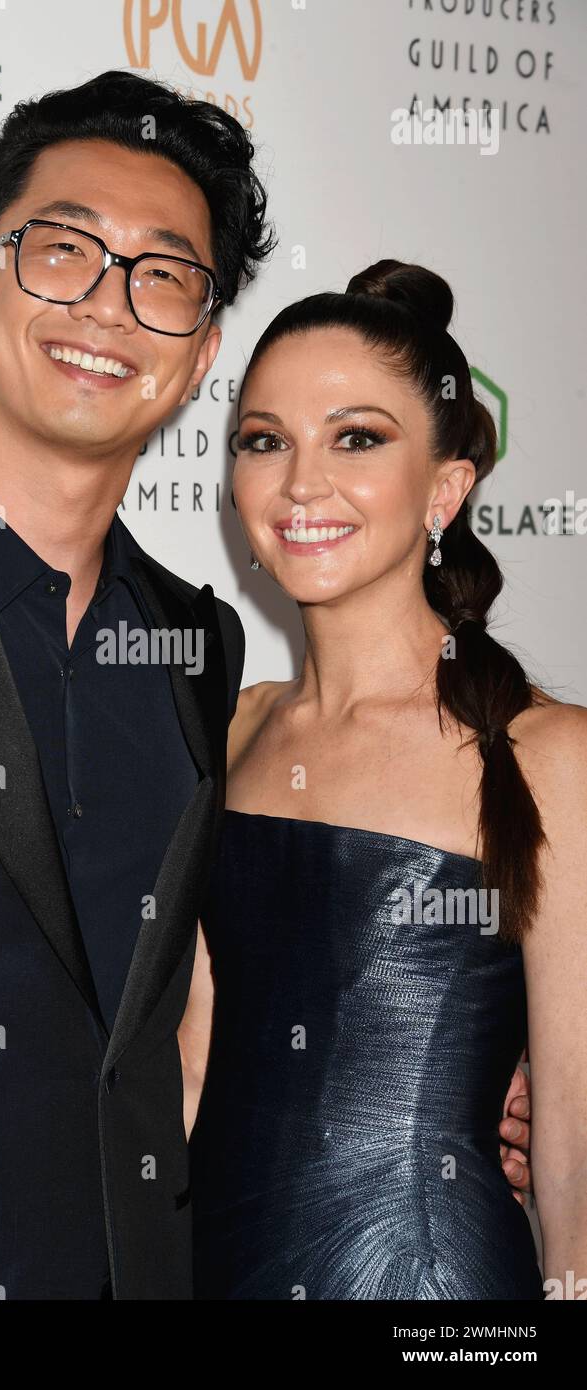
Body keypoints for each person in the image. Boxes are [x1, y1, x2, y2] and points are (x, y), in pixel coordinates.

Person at [0, 68, 529, 1299]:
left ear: (200, 356)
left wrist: (470, 1070)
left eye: (163, 275)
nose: (109, 304)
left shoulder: (199, 651)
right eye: (63, 250)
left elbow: (198, 1012)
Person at [179, 260, 586, 1299]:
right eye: (266, 440)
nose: (301, 482)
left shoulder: (547, 755)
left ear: (446, 488)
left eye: (356, 438)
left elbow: (576, 1146)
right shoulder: (228, 727)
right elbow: (192, 1065)